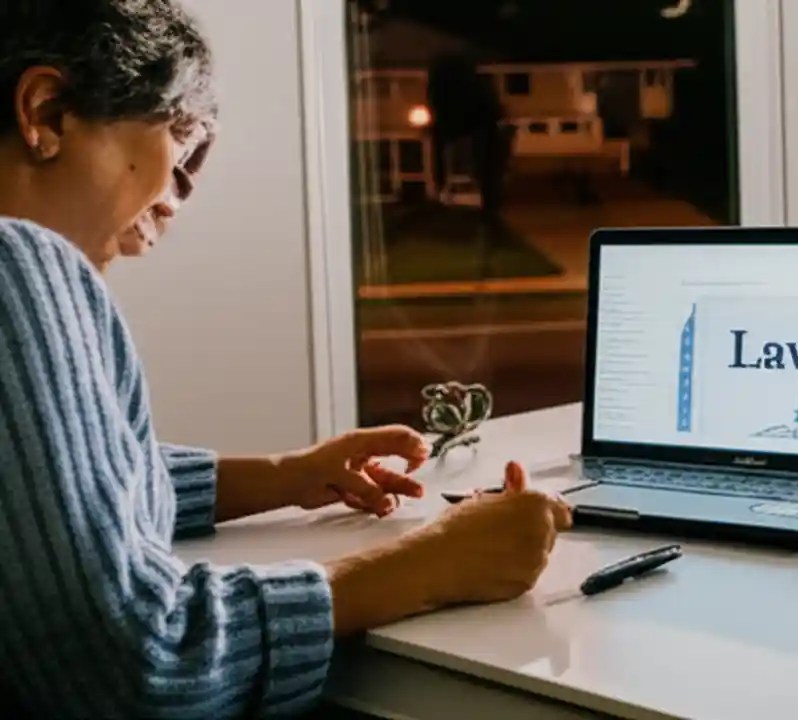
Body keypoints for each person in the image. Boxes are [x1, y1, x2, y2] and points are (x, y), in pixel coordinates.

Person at [0, 2, 570, 717]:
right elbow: (133, 661)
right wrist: (430, 566)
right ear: (46, 113)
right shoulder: (15, 263)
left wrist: (288, 474)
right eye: (179, 141)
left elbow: (50, 484)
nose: (173, 203)